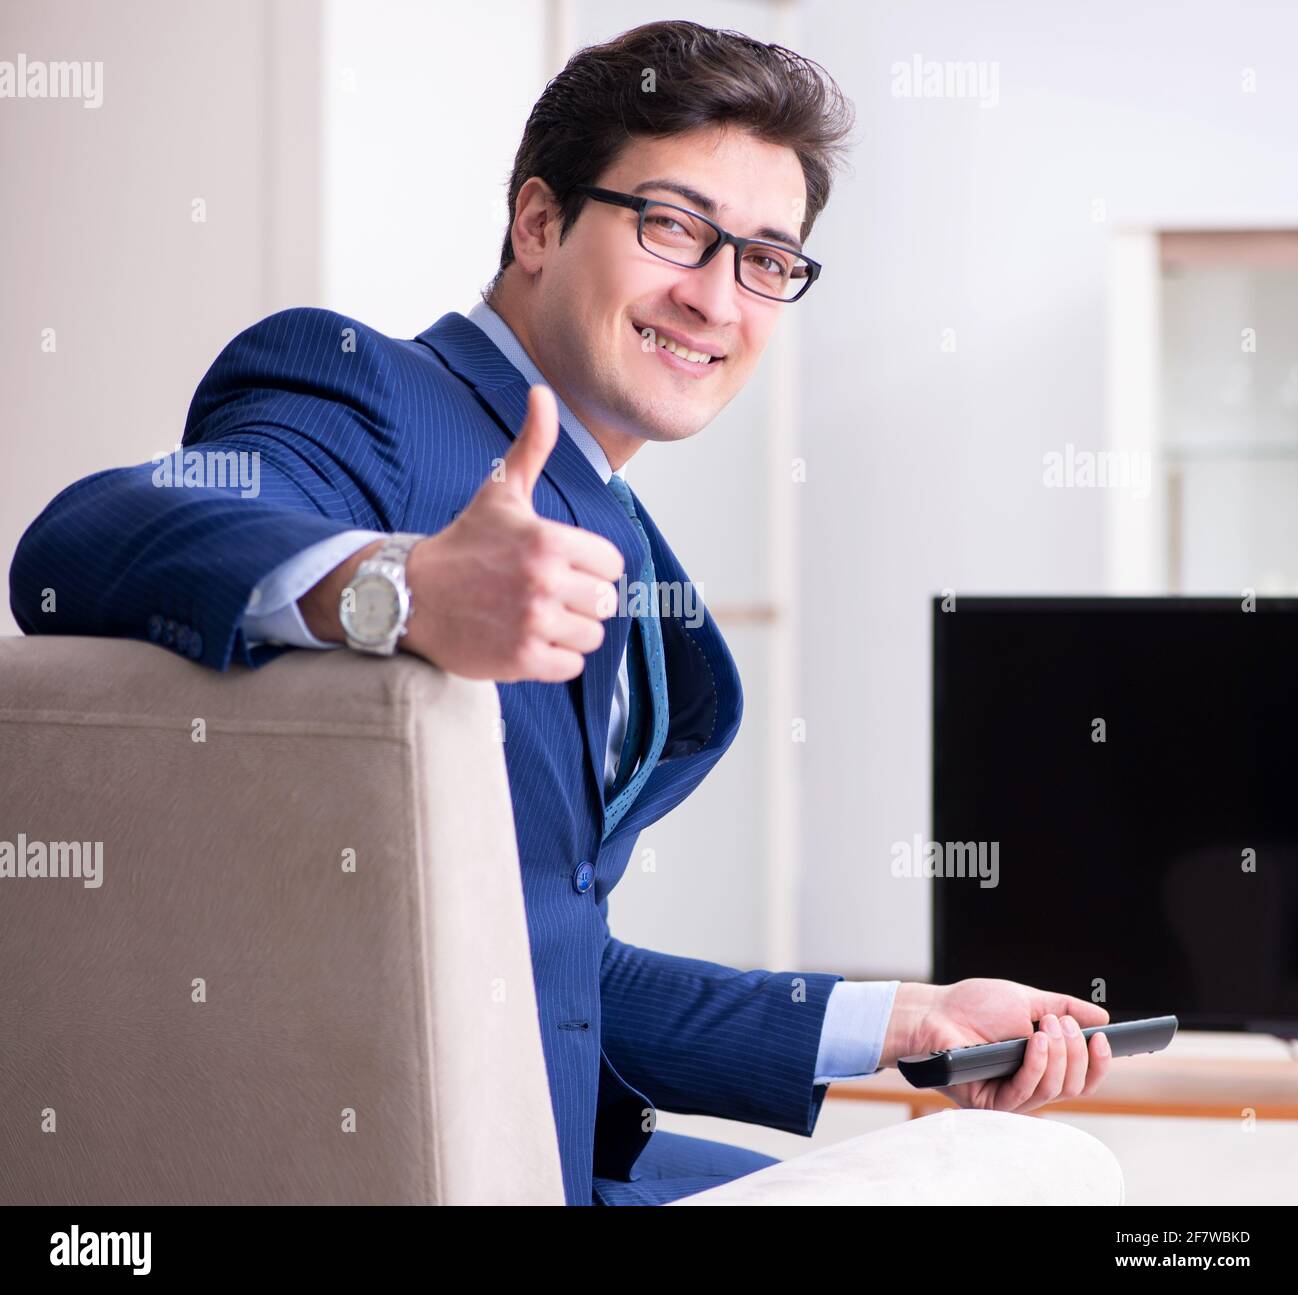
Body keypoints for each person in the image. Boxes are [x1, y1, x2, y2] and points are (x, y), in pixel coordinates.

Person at [8, 20, 1111, 1206]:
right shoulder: (364, 390)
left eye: (765, 259)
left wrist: (911, 1017)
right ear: (538, 222)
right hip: (426, 1167)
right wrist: (403, 586)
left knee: (1031, 1164)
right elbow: (86, 541)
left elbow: (553, 966)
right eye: (674, 227)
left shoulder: (618, 531)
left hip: (568, 1148)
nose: (713, 299)